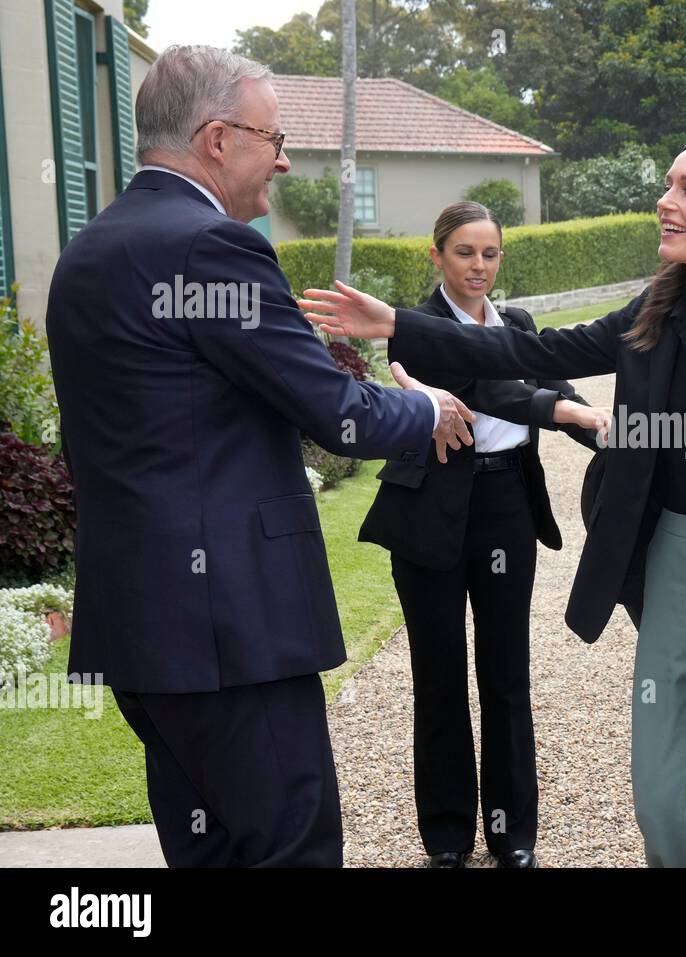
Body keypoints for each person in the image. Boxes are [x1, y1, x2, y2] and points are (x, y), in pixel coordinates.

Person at [301, 132, 686, 868]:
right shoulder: (650, 319)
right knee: (662, 804)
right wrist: (400, 322)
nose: (666, 200)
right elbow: (527, 352)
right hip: (668, 574)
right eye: (668, 184)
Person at [44, 45, 476, 867]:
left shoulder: (87, 253)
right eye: (271, 139)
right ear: (215, 139)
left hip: (138, 627)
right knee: (288, 847)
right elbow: (336, 409)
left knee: (205, 850)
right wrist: (425, 406)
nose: (282, 160)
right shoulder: (212, 247)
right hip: (230, 625)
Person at [358, 202, 607, 869]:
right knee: (437, 675)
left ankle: (512, 832)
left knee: (506, 673)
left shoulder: (518, 325)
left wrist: (612, 435)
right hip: (431, 509)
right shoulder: (415, 330)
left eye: (490, 253)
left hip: (505, 507)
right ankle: (445, 836)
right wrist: (556, 407)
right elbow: (489, 387)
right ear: (437, 255)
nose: (478, 266)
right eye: (464, 252)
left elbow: (559, 388)